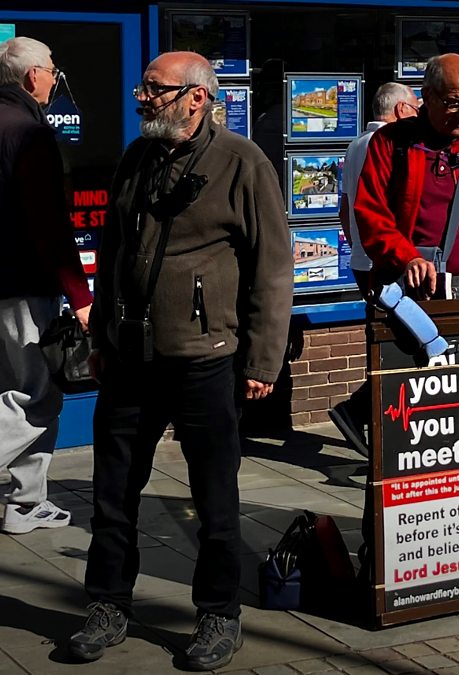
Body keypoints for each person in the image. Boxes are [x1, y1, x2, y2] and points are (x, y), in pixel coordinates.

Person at [69, 52, 292, 670]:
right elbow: (115, 250)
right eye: (142, 88)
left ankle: (220, 614)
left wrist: (263, 361)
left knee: (214, 498)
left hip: (205, 361)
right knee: (113, 493)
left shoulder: (243, 163)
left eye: (155, 89)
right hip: (129, 359)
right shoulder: (137, 157)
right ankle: (107, 604)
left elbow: (273, 269)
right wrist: (101, 338)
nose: (142, 99)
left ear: (197, 98)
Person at [0, 37, 93, 534]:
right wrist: (81, 297)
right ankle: (25, 500)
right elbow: (50, 224)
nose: (56, 78)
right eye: (53, 69)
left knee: (13, 388)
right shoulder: (29, 134)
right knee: (38, 396)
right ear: (33, 75)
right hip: (23, 283)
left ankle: (26, 502)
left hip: (10, 283)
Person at [354, 53, 459, 300]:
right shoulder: (391, 143)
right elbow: (371, 215)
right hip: (412, 294)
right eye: (454, 103)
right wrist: (407, 258)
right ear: (428, 96)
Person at [327, 82, 420, 457]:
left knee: (394, 342)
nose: (420, 115)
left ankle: (384, 425)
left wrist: (359, 251)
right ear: (401, 110)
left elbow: (345, 209)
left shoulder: (355, 145)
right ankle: (359, 412)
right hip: (387, 266)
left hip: (365, 261)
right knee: (406, 345)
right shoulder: (389, 145)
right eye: (416, 107)